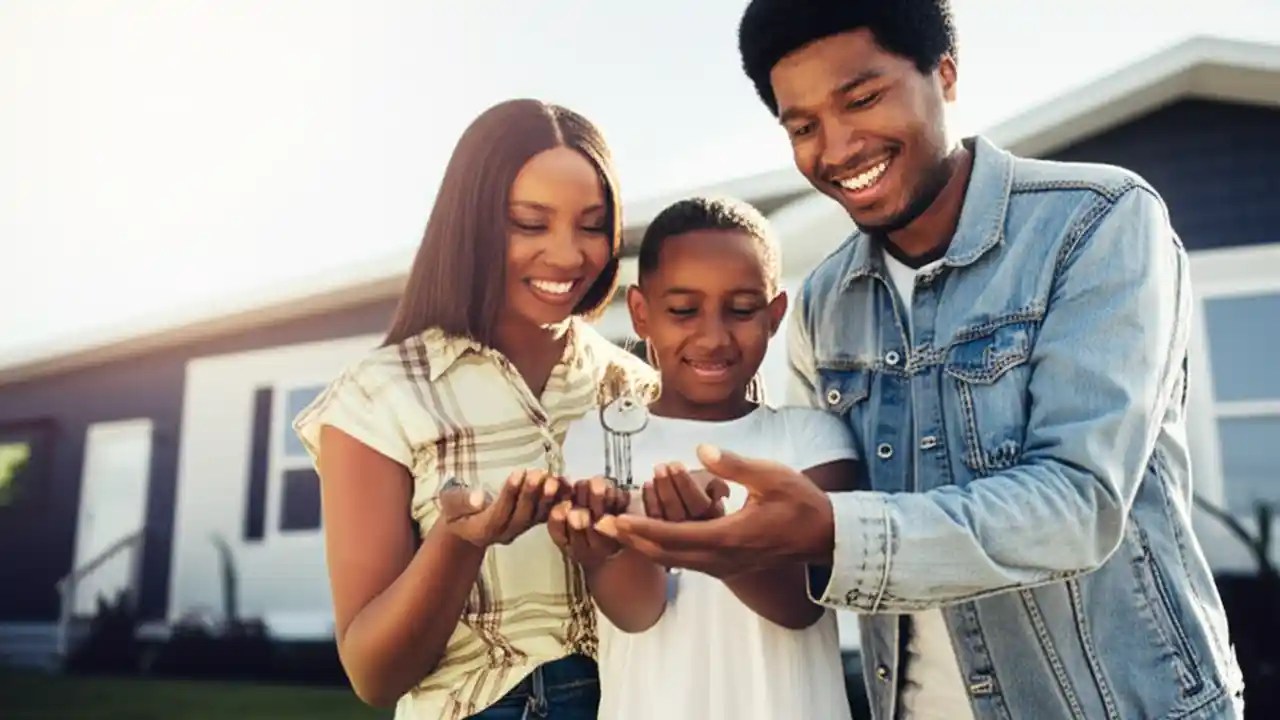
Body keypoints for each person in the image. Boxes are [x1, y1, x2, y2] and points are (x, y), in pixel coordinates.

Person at [595, 2, 1246, 718]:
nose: (837, 148)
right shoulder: (824, 303)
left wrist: (833, 531)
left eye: (863, 98)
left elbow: (1079, 504)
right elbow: (811, 525)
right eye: (803, 126)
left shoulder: (1096, 222)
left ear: (945, 73)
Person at [292, 98, 651, 720]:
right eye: (530, 223)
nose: (568, 256)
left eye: (591, 225)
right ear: (472, 223)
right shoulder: (380, 397)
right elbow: (374, 675)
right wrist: (460, 542)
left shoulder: (636, 388)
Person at [548, 196, 858, 720]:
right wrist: (610, 551)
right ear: (642, 313)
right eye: (684, 310)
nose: (713, 337)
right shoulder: (598, 440)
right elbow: (636, 613)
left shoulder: (817, 442)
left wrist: (711, 537)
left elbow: (802, 607)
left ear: (775, 314)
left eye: (740, 310)